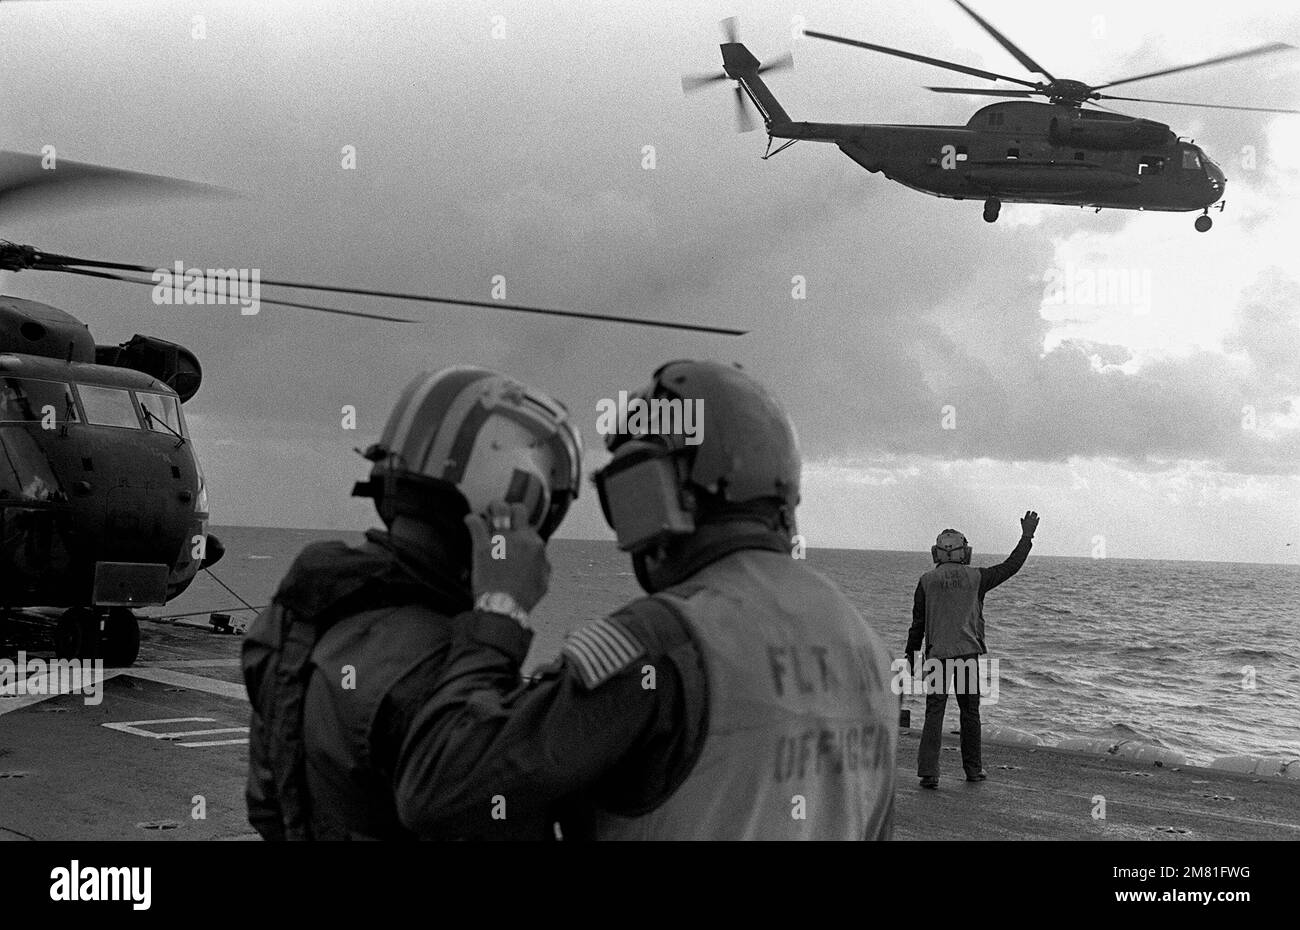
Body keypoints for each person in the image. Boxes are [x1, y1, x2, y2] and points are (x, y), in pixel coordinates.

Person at [393, 360, 898, 840]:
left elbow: (439, 787)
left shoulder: (660, 641)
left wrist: (500, 607)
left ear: (669, 489)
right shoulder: (867, 650)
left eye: (628, 492)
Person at [241, 366, 582, 840]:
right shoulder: (453, 658)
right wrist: (502, 615)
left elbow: (267, 806)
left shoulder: (299, 610)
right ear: (506, 497)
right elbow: (471, 799)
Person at [905, 512, 1039, 789]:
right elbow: (1011, 566)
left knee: (934, 712)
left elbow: (917, 623)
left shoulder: (926, 581)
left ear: (937, 552)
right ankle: (973, 770)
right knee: (970, 712)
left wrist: (911, 654)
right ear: (964, 552)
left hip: (937, 655)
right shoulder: (977, 577)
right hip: (967, 654)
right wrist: (1027, 536)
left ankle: (929, 772)